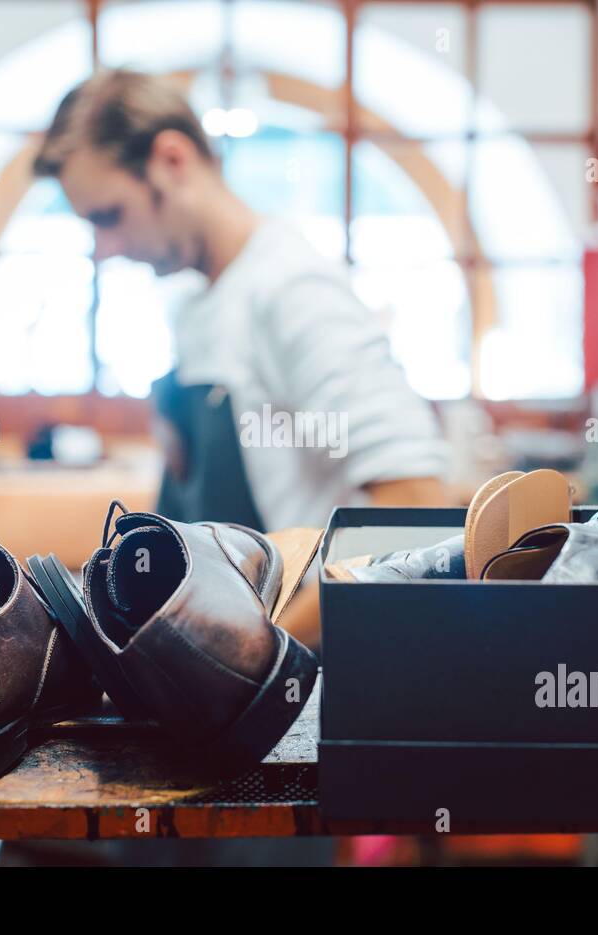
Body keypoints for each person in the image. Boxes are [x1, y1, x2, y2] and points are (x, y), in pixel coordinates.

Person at [33, 69, 450, 648]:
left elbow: (415, 506)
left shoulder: (290, 289)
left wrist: (262, 655)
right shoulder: (194, 300)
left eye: (109, 216)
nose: (104, 250)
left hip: (298, 685)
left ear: (172, 160)